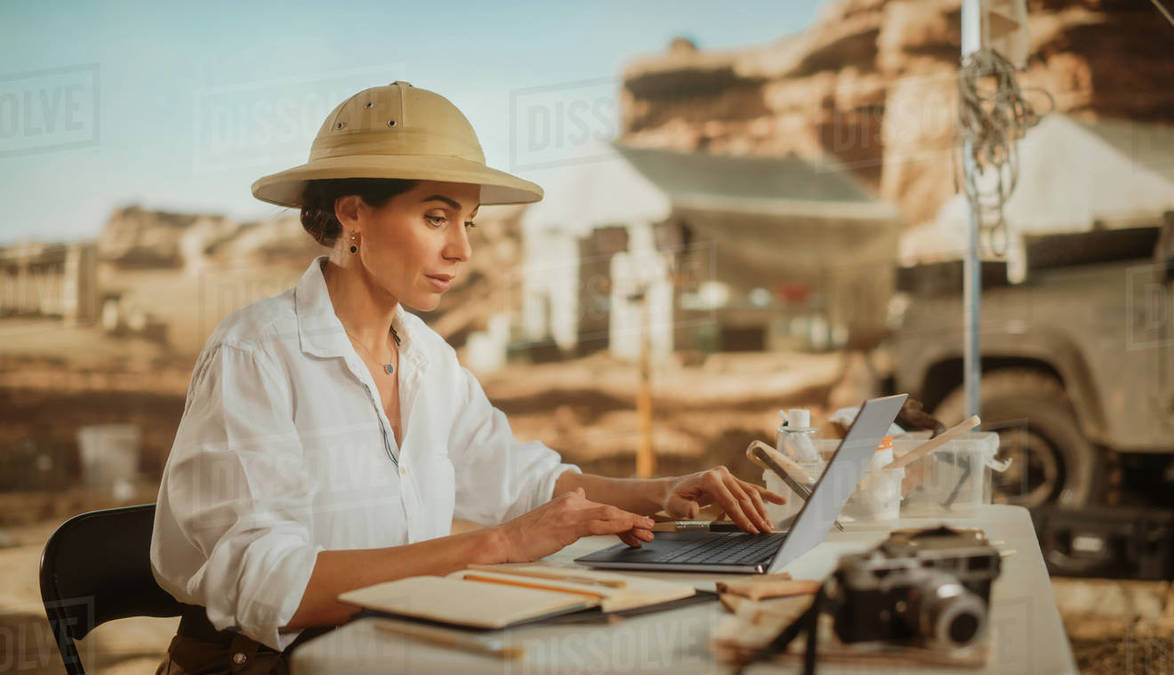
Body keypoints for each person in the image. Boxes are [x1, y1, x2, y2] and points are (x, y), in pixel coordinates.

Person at [151, 81, 784, 674]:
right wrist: (498, 545)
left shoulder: (429, 359)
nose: (462, 249)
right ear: (353, 214)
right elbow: (270, 588)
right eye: (436, 217)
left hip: (393, 649)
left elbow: (520, 481)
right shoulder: (255, 354)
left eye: (468, 222)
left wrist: (662, 493)